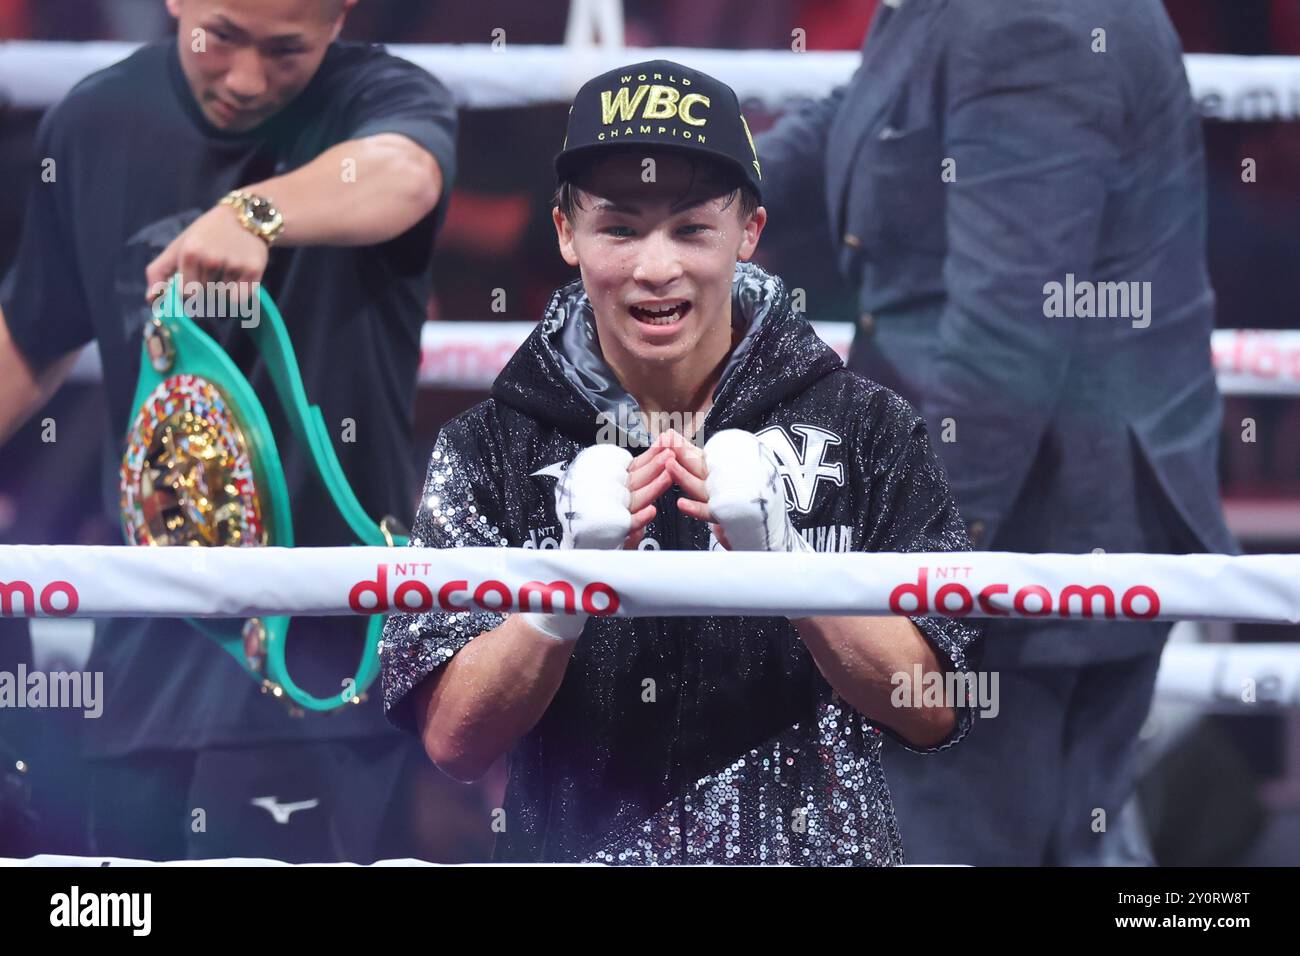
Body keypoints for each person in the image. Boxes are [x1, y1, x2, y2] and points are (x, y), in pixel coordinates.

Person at [381, 59, 981, 865]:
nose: (655, 268)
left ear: (748, 233)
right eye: (619, 229)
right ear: (566, 233)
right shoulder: (490, 447)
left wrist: (790, 568)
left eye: (692, 229)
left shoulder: (866, 427)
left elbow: (934, 707)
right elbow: (454, 743)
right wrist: (560, 594)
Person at [756, 0, 1236, 864]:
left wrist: (926, 577)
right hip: (1027, 530)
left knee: (964, 834)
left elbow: (1006, 338)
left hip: (1034, 535)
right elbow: (873, 108)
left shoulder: (1030, 18)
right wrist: (695, 175)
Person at [0, 0, 457, 861]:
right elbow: (31, 335)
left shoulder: (383, 99)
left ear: (338, 18)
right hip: (145, 655)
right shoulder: (96, 121)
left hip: (326, 658)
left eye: (284, 50)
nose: (246, 79)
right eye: (224, 37)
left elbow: (404, 175)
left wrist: (253, 213)